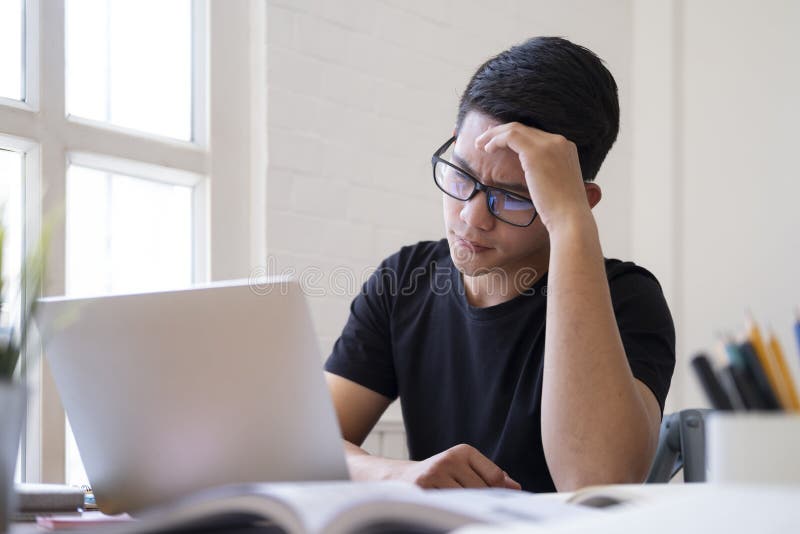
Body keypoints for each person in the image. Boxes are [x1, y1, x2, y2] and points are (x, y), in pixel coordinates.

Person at [324, 36, 675, 493]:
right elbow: (303, 447)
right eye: (462, 173)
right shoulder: (404, 280)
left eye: (511, 197)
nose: (471, 217)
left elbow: (594, 482)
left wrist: (572, 226)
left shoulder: (629, 298)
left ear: (577, 201)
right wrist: (396, 473)